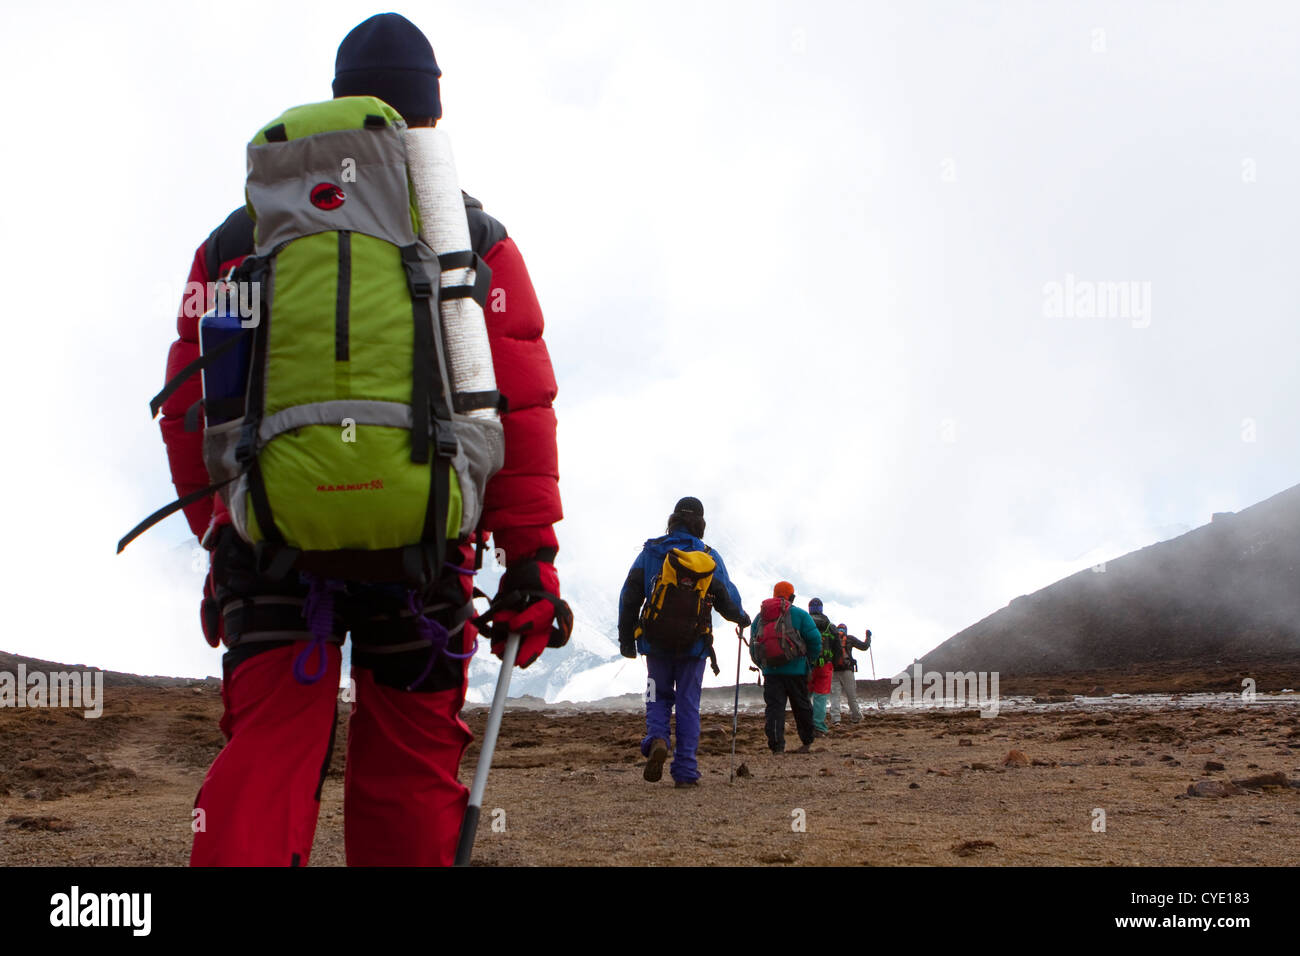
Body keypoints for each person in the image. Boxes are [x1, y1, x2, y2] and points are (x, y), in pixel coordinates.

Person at [158, 14, 570, 866]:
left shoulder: (240, 241)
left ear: (342, 99)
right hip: (420, 552)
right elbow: (520, 404)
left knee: (266, 754)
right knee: (413, 767)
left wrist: (217, 533)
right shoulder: (472, 238)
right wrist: (530, 558)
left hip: (272, 550)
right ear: (431, 114)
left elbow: (192, 405)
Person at [617, 497, 749, 787]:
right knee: (688, 703)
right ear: (700, 523)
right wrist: (741, 617)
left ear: (672, 519)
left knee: (656, 695)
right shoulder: (708, 555)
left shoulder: (650, 552)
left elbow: (629, 596)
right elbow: (727, 596)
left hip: (654, 643)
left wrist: (627, 639)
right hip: (695, 644)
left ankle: (658, 739)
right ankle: (686, 771)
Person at [751, 582, 821, 754]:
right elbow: (815, 640)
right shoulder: (800, 614)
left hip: (771, 672)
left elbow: (753, 647)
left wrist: (763, 666)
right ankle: (807, 741)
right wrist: (809, 663)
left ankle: (777, 747)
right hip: (797, 671)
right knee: (801, 706)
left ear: (774, 595)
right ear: (792, 596)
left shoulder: (761, 617)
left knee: (774, 708)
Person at [829, 623, 871, 724]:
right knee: (851, 696)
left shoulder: (831, 639)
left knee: (835, 697)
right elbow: (864, 646)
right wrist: (868, 637)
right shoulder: (849, 638)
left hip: (833, 671)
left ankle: (836, 720)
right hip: (847, 670)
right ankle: (856, 717)